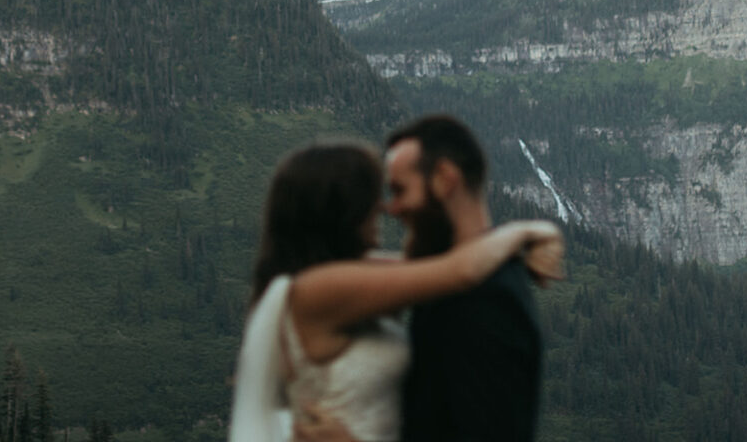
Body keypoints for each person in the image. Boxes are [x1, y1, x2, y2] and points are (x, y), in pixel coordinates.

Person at [229, 139, 562, 442]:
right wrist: (528, 229)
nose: (385, 209)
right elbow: (460, 271)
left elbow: (443, 264)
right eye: (372, 199)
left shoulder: (342, 275)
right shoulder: (319, 288)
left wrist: (540, 231)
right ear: (344, 211)